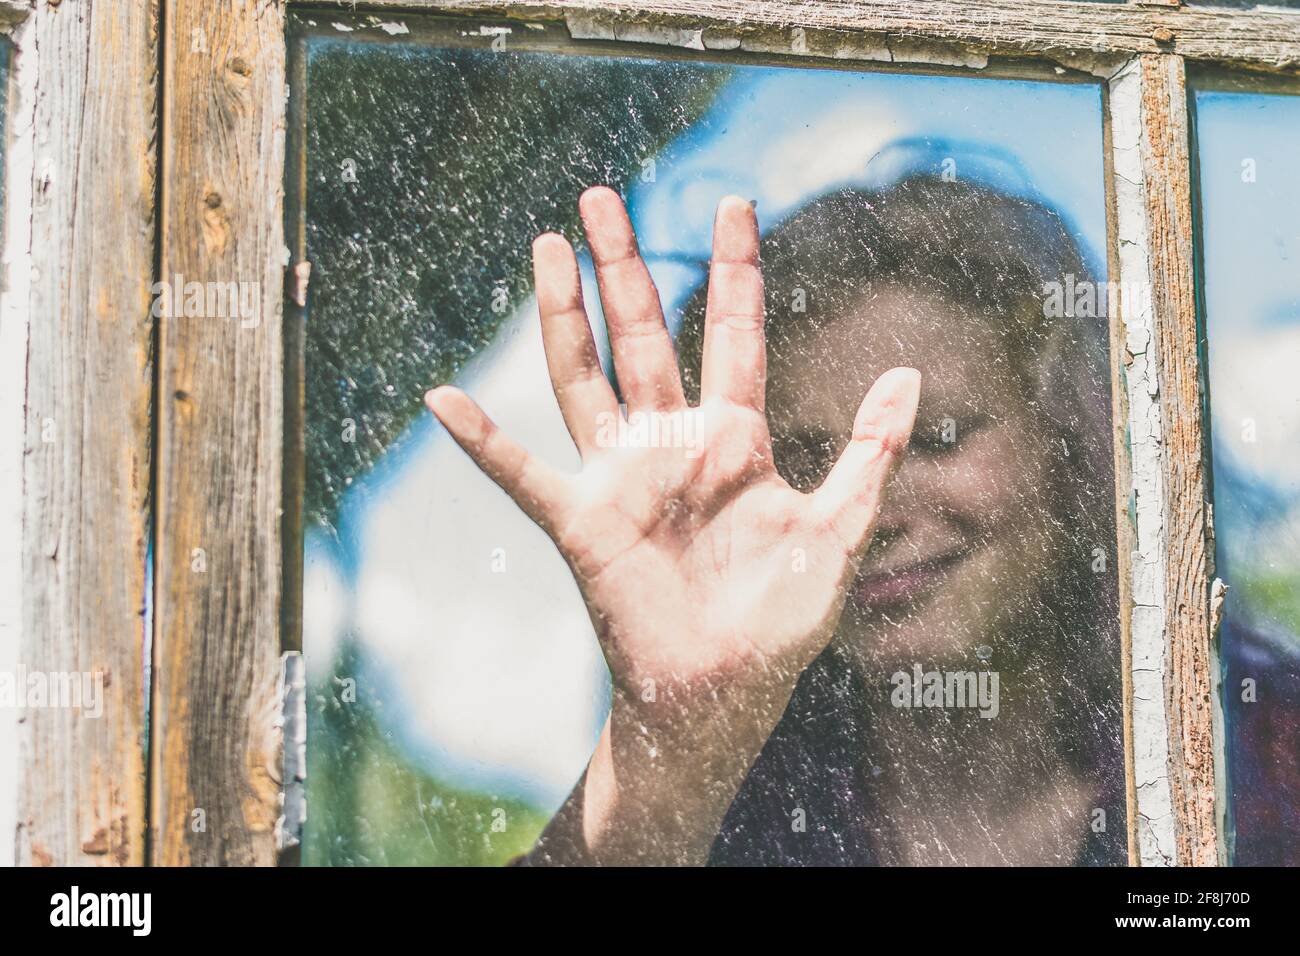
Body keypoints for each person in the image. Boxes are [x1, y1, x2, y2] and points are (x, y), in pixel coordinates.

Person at [425, 178, 1127, 865]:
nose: (868, 511)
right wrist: (669, 761)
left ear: (1066, 439)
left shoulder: (1227, 737)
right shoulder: (738, 806)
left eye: (936, 437)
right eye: (801, 461)